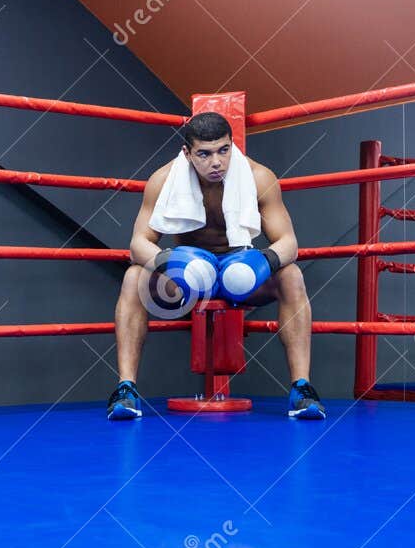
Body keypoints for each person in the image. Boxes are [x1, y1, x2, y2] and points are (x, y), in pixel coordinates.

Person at [107, 112, 324, 420]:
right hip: (188, 276)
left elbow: (288, 243)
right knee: (133, 277)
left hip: (241, 272)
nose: (217, 162)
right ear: (187, 153)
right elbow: (138, 244)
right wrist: (172, 262)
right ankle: (126, 389)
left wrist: (262, 262)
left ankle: (302, 389)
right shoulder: (163, 180)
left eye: (223, 150)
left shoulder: (259, 177)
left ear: (232, 145)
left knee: (291, 275)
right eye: (205, 154)